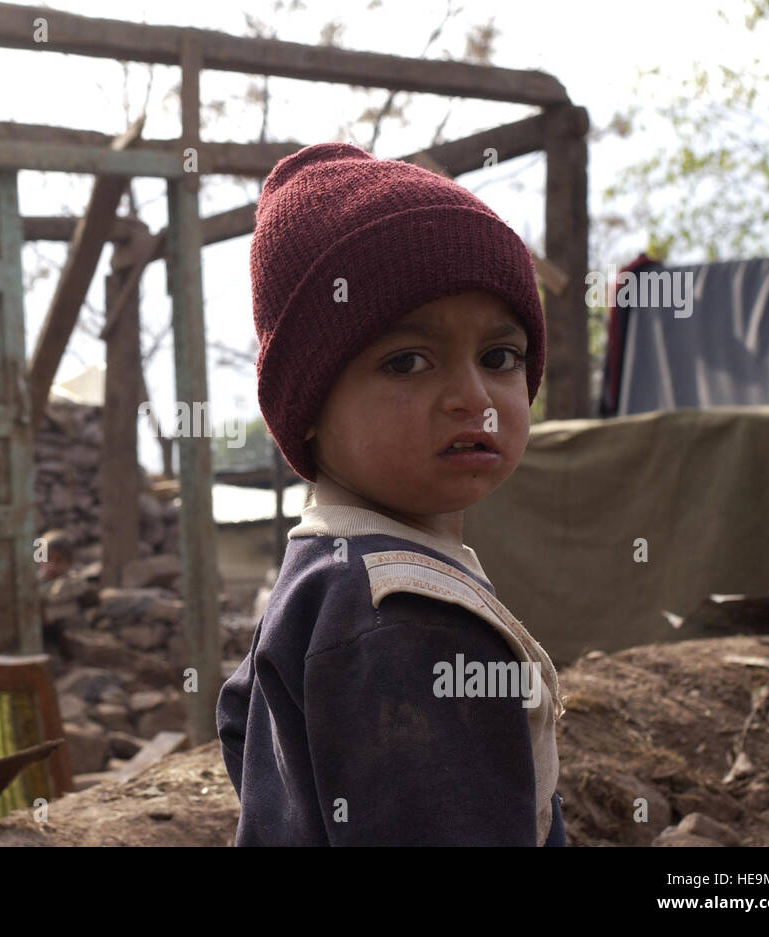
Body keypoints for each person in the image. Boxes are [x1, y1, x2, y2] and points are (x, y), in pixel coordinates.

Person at [216, 142, 565, 846]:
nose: (473, 397)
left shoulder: (321, 570)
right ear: (308, 405)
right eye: (407, 361)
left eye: (500, 357)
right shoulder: (407, 616)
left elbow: (237, 717)